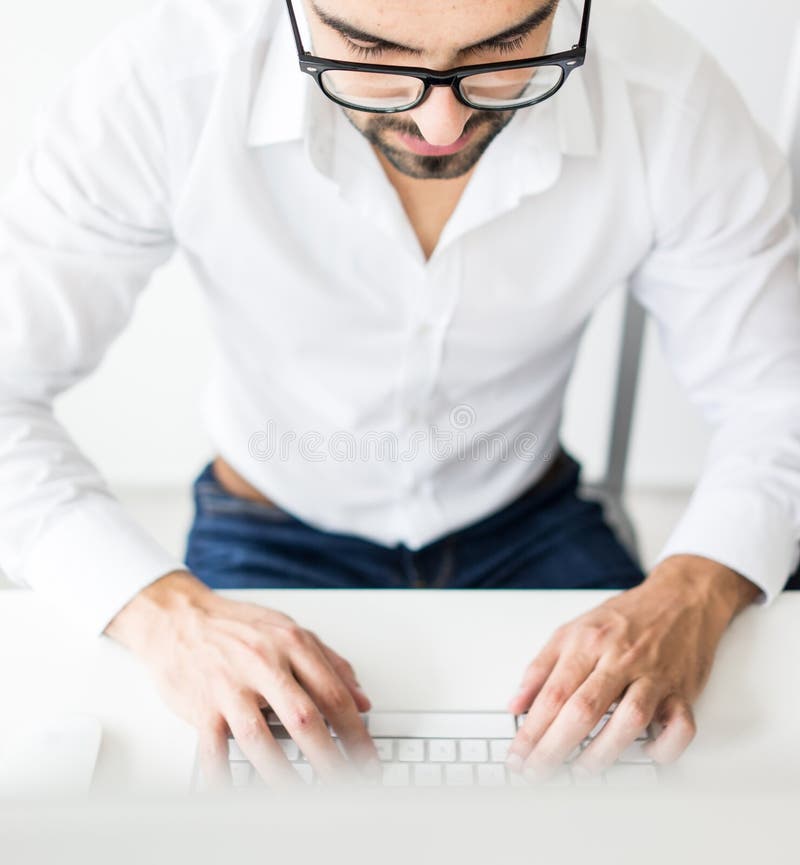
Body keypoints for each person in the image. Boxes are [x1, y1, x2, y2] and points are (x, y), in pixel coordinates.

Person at [1, 0, 799, 788]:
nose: (443, 126)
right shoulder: (161, 86)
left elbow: (777, 403)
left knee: (660, 803)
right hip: (269, 526)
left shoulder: (668, 98)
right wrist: (159, 612)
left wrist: (696, 585)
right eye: (369, 53)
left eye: (505, 48)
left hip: (531, 521)